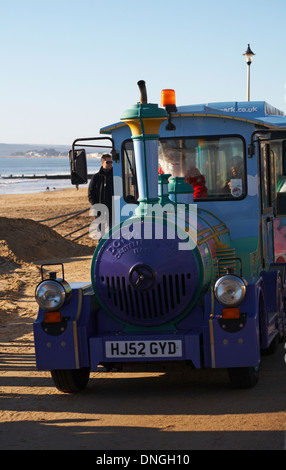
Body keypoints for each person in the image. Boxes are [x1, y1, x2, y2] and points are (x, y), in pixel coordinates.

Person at [88, 154, 114, 236]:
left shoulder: (116, 176)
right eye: (108, 162)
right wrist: (96, 205)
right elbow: (90, 193)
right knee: (100, 235)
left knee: (113, 235)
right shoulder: (96, 177)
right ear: (102, 163)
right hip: (100, 211)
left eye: (111, 162)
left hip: (113, 210)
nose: (110, 164)